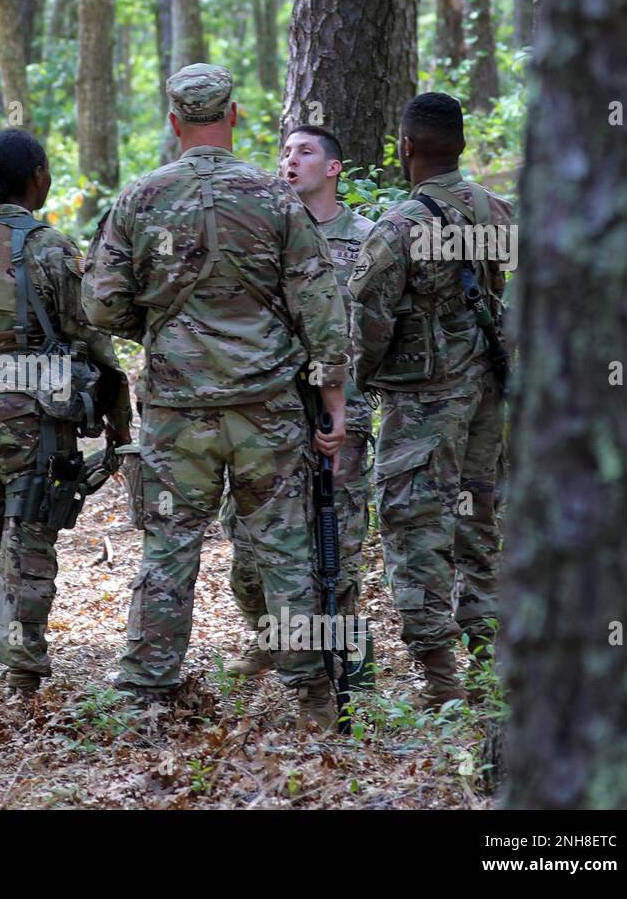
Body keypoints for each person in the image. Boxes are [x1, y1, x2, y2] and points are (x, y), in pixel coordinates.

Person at [82, 64, 351, 729]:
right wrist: (334, 402)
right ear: (235, 117)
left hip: (178, 412)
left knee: (170, 547)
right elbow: (320, 307)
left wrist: (161, 327)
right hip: (266, 409)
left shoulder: (140, 200)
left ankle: (142, 694)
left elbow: (102, 302)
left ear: (173, 122)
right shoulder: (277, 200)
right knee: (283, 549)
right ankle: (313, 699)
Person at [0, 129, 131, 718]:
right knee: (30, 545)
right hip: (34, 418)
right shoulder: (48, 247)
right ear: (36, 176)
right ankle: (21, 685)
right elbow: (91, 333)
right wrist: (118, 417)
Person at [349, 92, 512, 707]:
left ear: (406, 147)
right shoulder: (498, 212)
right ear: (463, 147)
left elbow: (363, 325)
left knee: (415, 527)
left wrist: (343, 391)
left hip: (423, 405)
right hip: (487, 397)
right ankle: (488, 664)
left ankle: (441, 681)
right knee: (478, 523)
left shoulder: (398, 228)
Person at [226, 125, 377, 678]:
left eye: (305, 152)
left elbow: (385, 325)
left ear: (333, 168)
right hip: (264, 414)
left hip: (343, 412)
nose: (291, 160)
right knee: (247, 554)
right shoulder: (261, 234)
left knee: (340, 553)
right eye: (285, 151)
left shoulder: (368, 238)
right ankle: (275, 638)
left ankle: (346, 672)